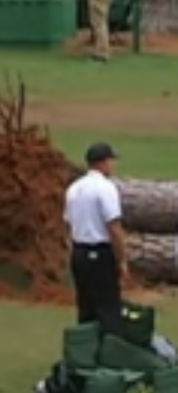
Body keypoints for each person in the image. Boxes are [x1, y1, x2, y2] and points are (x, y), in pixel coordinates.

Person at [64, 142, 127, 333]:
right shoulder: (105, 188)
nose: (113, 165)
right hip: (100, 254)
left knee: (86, 307)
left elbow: (68, 224)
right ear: (103, 163)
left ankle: (86, 354)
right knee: (108, 307)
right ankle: (108, 354)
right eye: (111, 161)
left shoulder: (73, 188)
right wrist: (122, 260)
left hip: (79, 253)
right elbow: (114, 227)